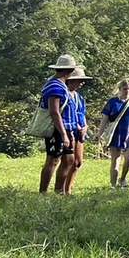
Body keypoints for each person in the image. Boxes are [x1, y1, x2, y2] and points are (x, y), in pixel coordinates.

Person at [38, 54, 77, 194]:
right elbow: (54, 112)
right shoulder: (55, 86)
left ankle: (59, 191)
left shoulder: (61, 85)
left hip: (66, 128)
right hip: (57, 129)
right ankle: (43, 192)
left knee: (69, 159)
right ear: (70, 70)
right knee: (53, 160)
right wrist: (63, 134)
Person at [101, 79, 129, 189]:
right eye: (125, 89)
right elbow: (105, 118)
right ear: (119, 89)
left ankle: (123, 178)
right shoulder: (112, 102)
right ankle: (113, 185)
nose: (127, 91)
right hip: (116, 134)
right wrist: (100, 133)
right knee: (115, 160)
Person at [58, 65, 93, 194]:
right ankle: (61, 189)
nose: (82, 83)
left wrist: (85, 126)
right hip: (69, 130)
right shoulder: (64, 94)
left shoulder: (79, 97)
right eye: (79, 80)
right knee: (67, 161)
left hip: (80, 133)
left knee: (77, 162)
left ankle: (69, 189)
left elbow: (82, 113)